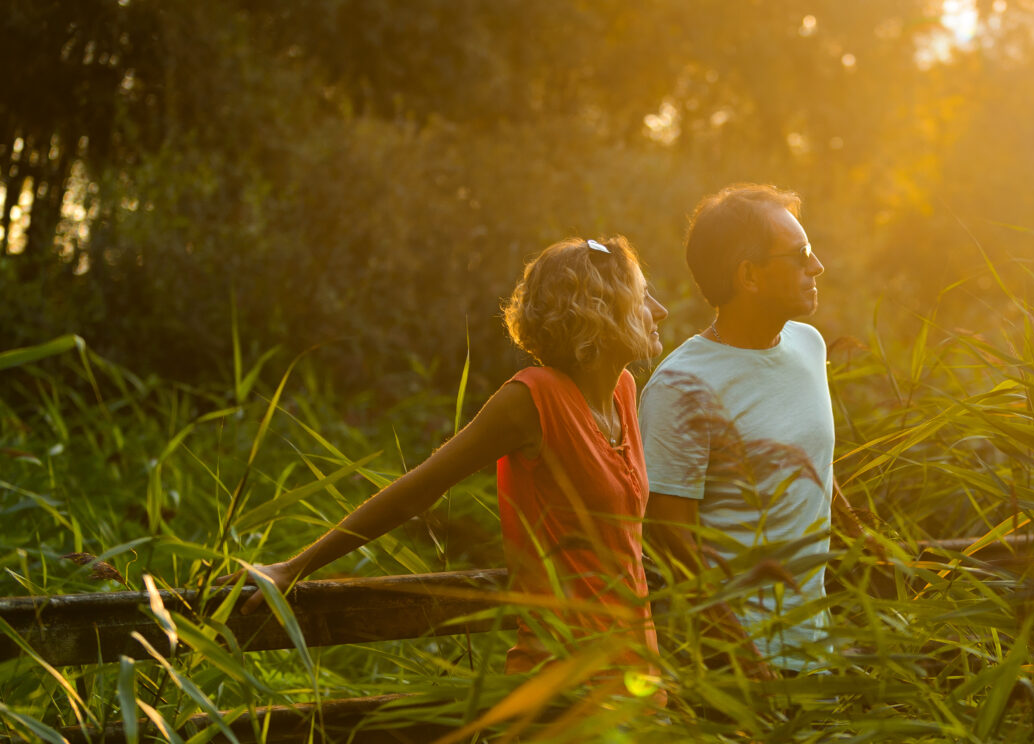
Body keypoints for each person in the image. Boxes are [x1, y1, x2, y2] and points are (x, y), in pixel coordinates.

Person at [223, 236, 669, 676]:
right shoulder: (532, 399)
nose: (661, 312)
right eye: (643, 299)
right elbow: (415, 492)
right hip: (562, 682)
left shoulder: (623, 391)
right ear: (598, 312)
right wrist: (292, 568)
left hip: (636, 678)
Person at [640, 184, 864, 676]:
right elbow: (669, 538)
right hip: (738, 667)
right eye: (801, 254)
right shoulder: (681, 386)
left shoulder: (808, 344)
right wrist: (744, 654)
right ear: (749, 276)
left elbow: (809, 458)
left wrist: (862, 540)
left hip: (817, 644)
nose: (817, 266)